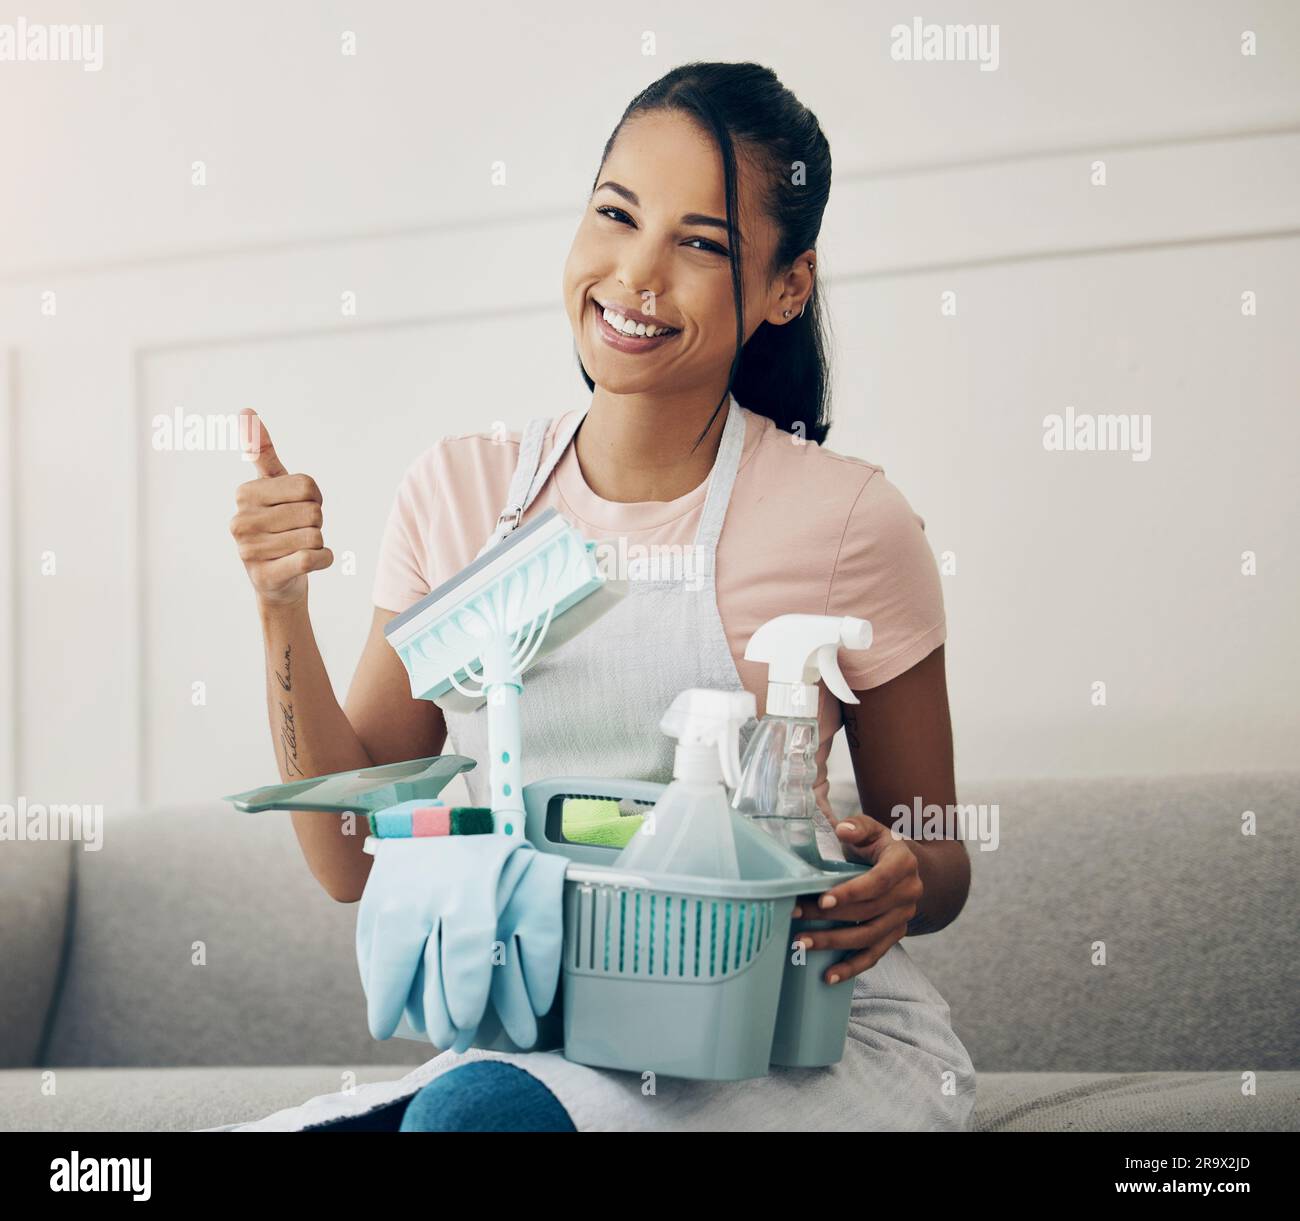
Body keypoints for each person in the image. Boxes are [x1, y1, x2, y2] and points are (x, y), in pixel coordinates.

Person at [224, 61, 976, 1132]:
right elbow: (348, 862)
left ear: (786, 286)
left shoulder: (849, 520)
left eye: (701, 243)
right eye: (615, 216)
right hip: (548, 1040)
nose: (636, 274)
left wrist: (902, 877)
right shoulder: (462, 491)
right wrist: (280, 608)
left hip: (794, 1041)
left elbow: (937, 849)